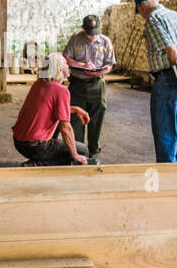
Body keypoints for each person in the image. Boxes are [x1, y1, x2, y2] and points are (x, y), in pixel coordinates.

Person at [135, 0, 177, 163]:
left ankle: (168, 172)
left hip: (169, 78)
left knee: (165, 129)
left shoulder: (153, 20)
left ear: (140, 8)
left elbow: (171, 51)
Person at [12, 51, 91, 166]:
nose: (68, 66)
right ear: (60, 69)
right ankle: (39, 163)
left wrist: (75, 109)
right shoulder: (61, 90)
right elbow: (66, 128)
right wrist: (75, 155)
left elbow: (49, 109)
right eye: (65, 63)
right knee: (82, 151)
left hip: (19, 142)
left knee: (59, 121)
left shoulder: (38, 84)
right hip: (36, 147)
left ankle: (40, 160)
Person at [63, 13, 115, 159]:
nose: (92, 37)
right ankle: (77, 153)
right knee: (75, 120)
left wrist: (100, 72)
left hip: (97, 85)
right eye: (89, 33)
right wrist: (81, 65)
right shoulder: (75, 39)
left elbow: (109, 64)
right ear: (83, 28)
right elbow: (66, 58)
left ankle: (93, 153)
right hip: (77, 85)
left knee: (96, 119)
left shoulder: (105, 41)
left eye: (95, 33)